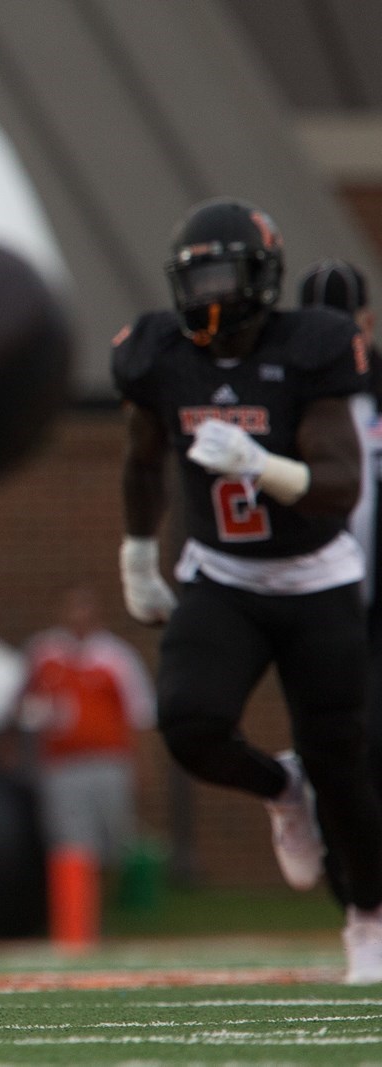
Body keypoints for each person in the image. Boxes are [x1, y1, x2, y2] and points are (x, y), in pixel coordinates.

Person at [114, 197, 382, 983]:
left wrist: (260, 465)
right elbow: (141, 461)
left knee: (343, 762)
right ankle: (279, 785)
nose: (210, 299)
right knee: (189, 722)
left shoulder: (312, 348)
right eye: (197, 281)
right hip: (225, 574)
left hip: (316, 575)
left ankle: (368, 918)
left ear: (263, 279)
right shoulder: (161, 356)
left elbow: (339, 483)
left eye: (224, 279)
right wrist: (138, 557)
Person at [297, 258, 382, 908]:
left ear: (366, 326)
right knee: (332, 746)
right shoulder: (287, 395)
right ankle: (352, 895)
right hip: (314, 599)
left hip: (373, 606)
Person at [3, 585, 154, 896]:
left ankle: (105, 904)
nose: (78, 616)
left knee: (112, 841)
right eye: (72, 608)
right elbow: (19, 700)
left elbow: (140, 715)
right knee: (71, 844)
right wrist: (12, 739)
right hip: (61, 765)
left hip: (109, 762)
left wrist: (141, 766)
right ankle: (79, 911)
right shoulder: (44, 651)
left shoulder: (117, 656)